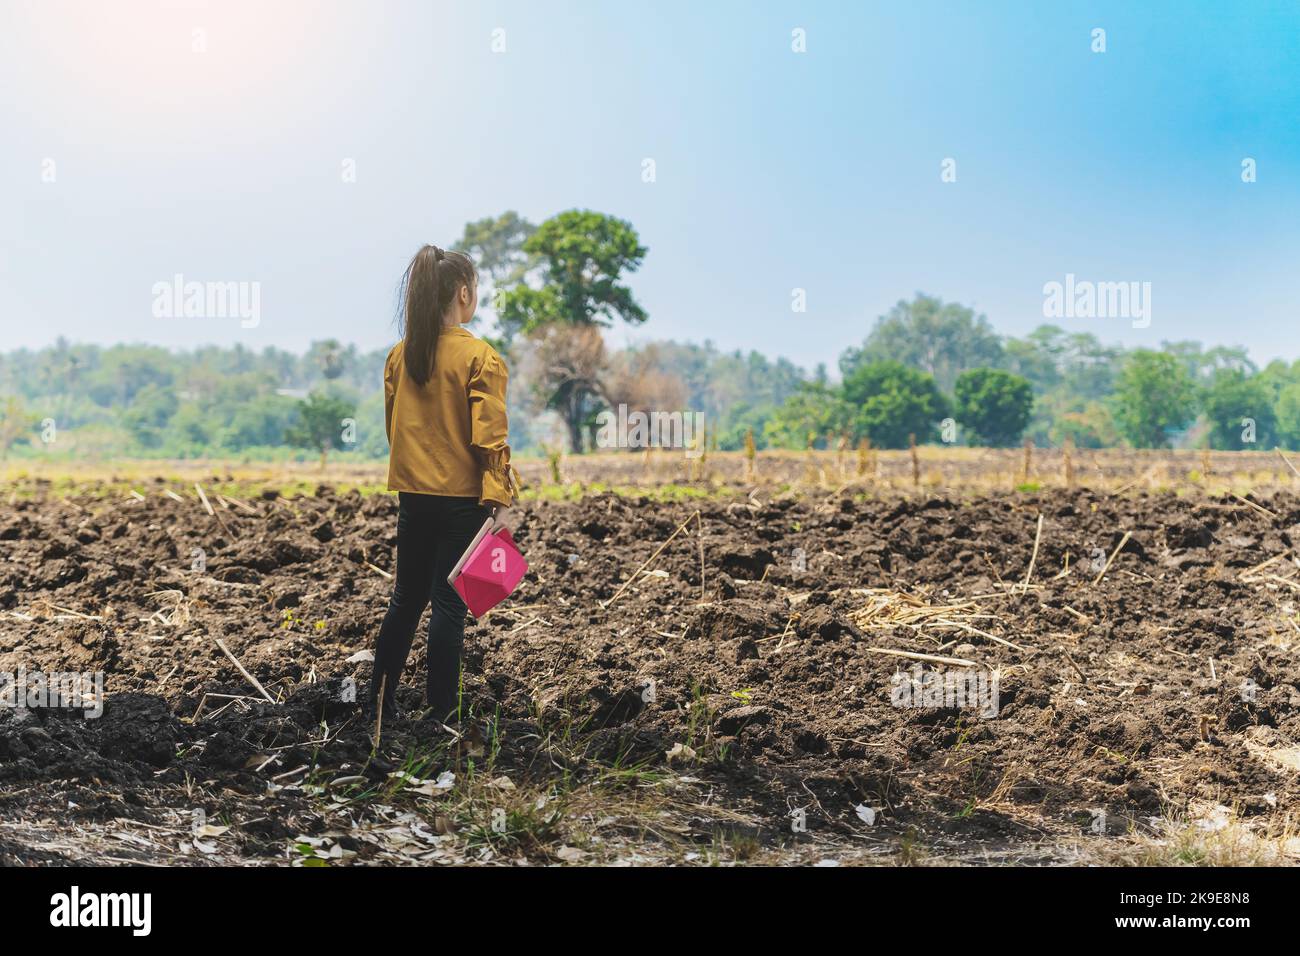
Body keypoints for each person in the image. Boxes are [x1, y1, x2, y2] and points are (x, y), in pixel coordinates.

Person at [367, 244, 517, 725]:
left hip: (414, 497)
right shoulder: (480, 358)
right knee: (450, 602)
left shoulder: (399, 356)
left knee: (405, 599)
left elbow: (396, 430)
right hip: (462, 501)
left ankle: (379, 707)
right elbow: (489, 438)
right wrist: (501, 502)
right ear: (464, 293)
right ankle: (441, 716)